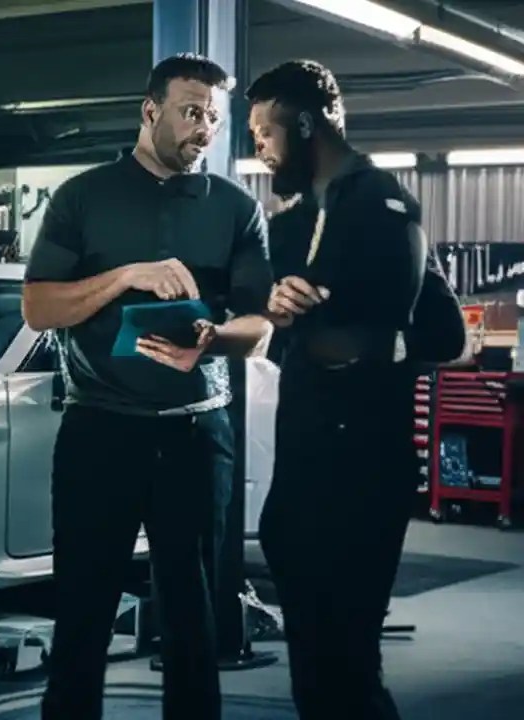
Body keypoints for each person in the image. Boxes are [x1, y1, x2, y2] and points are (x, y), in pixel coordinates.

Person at [21, 53, 274, 720]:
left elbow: (260, 327)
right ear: (150, 110)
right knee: (83, 606)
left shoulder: (237, 210)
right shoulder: (84, 197)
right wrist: (127, 276)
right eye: (192, 111)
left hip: (196, 433)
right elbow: (39, 308)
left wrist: (214, 340)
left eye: (215, 118)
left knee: (193, 616)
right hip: (99, 429)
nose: (204, 128)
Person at [245, 60, 466, 719]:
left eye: (264, 131)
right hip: (308, 481)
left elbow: (448, 335)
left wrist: (369, 341)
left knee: (347, 672)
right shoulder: (292, 224)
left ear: (305, 124)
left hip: (361, 483)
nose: (258, 147)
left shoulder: (380, 207)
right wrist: (276, 310)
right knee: (320, 674)